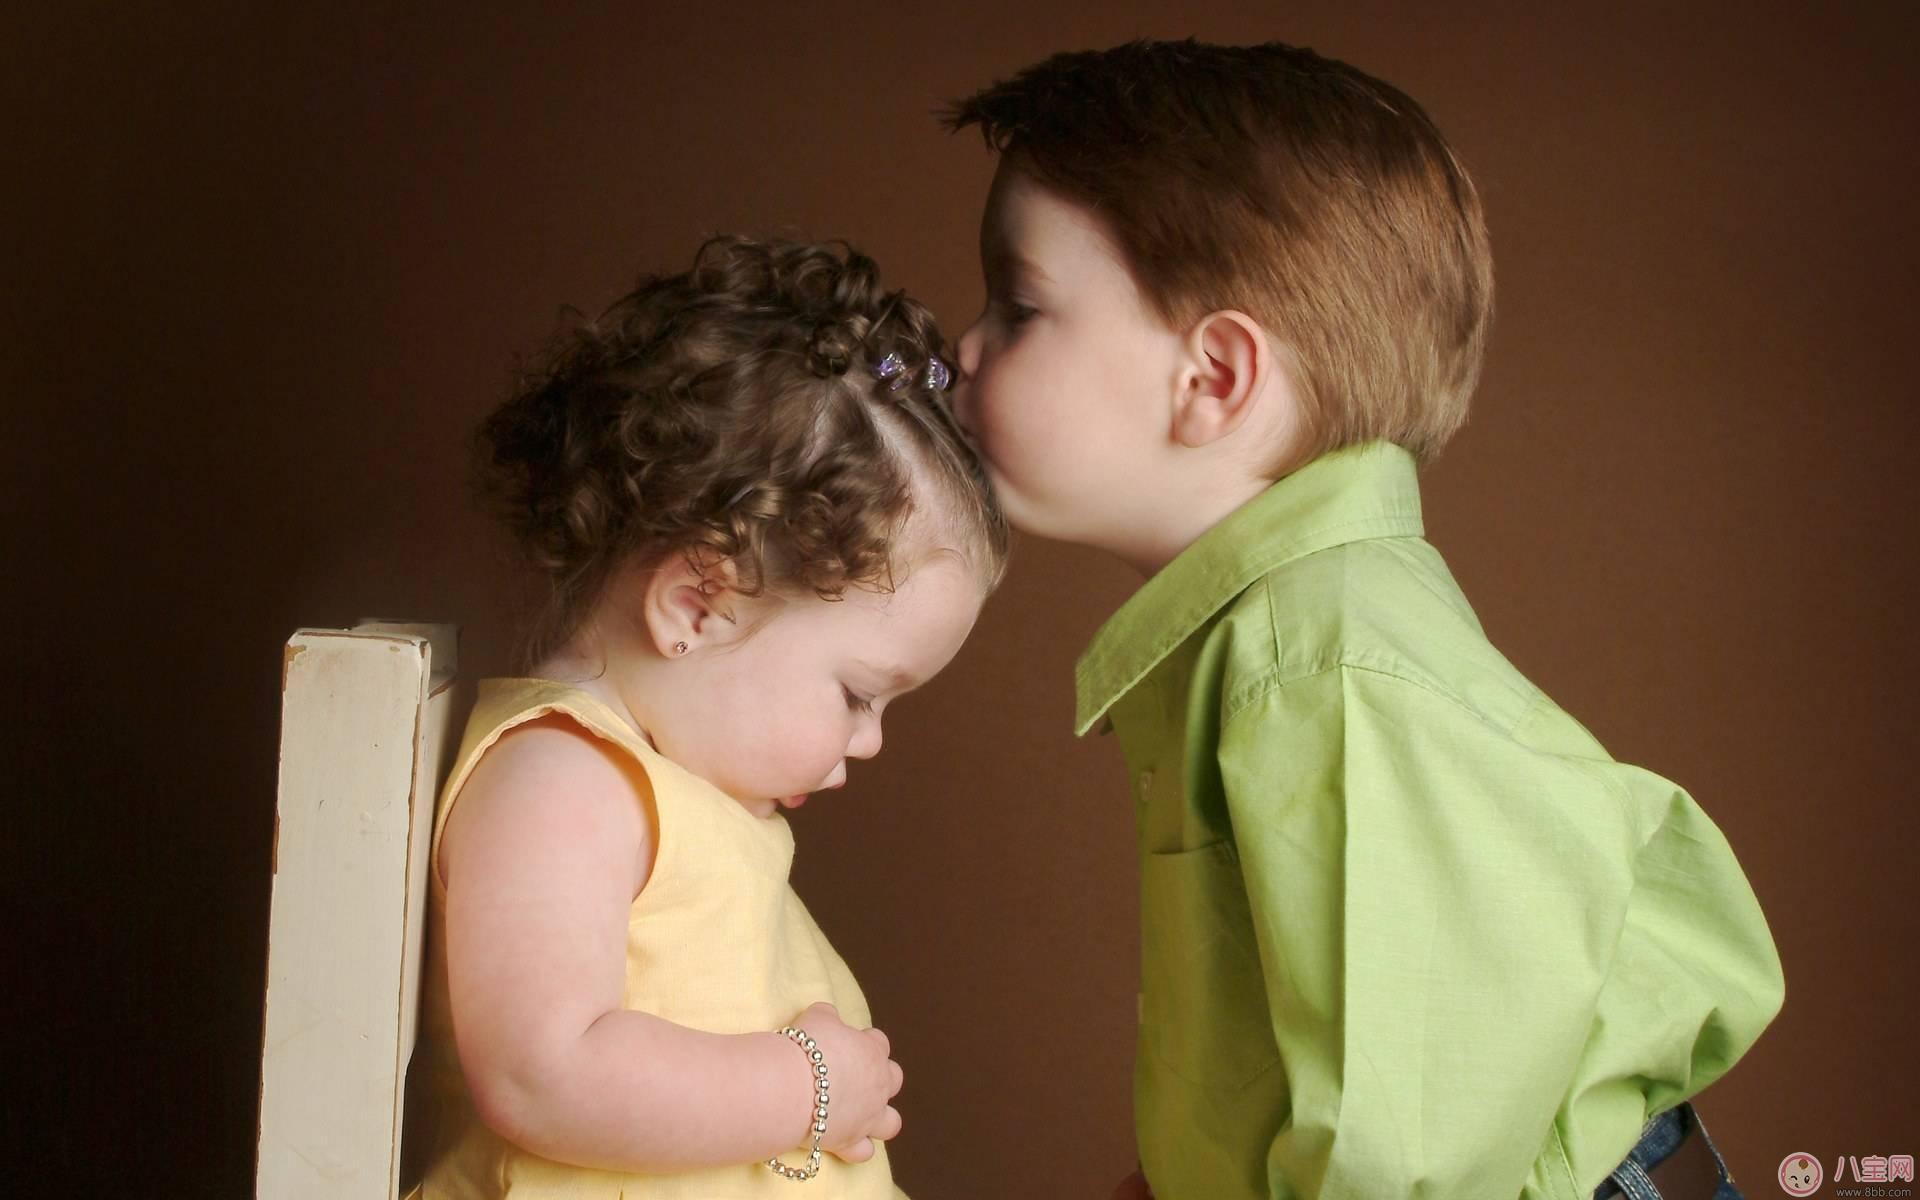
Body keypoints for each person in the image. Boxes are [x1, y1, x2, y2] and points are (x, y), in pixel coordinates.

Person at [942, 39, 1781, 1200]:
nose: (962, 348)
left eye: (1019, 306)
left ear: (1215, 379)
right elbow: (1308, 1040)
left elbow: (1402, 1151)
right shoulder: (1280, 630)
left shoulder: (1314, 662)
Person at [412, 236, 1007, 1199]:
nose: (870, 740)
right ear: (698, 605)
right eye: (858, 694)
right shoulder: (561, 781)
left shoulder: (677, 792)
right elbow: (541, 1075)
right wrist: (810, 1085)